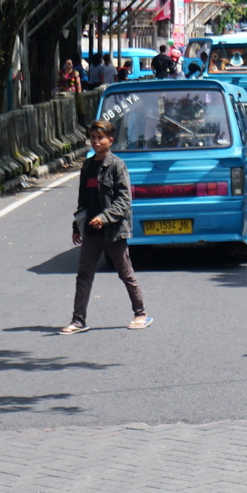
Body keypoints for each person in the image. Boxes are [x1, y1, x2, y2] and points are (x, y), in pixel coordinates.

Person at [61, 120, 153, 334]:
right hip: (92, 232)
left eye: (100, 138)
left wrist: (105, 217)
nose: (95, 142)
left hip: (113, 231)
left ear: (110, 141)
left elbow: (124, 200)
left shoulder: (117, 165)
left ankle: (141, 313)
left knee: (125, 273)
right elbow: (82, 199)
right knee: (83, 275)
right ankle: (78, 320)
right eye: (93, 137)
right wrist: (77, 226)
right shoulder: (87, 165)